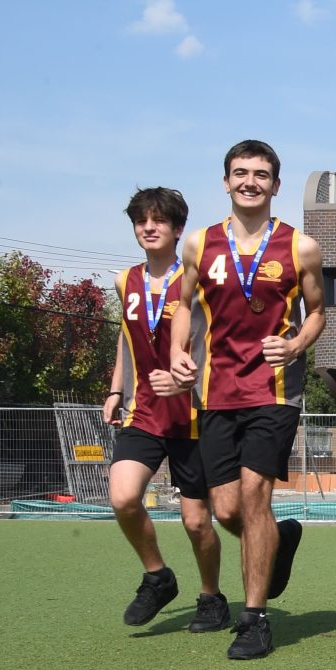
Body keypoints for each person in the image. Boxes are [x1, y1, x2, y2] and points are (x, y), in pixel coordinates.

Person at [168, 140, 325, 660]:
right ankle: (278, 541)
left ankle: (254, 619)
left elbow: (318, 313)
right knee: (227, 508)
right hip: (216, 392)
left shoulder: (300, 247)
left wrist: (296, 345)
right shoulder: (199, 244)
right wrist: (178, 353)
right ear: (226, 182)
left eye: (260, 174)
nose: (249, 182)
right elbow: (182, 306)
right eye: (240, 173)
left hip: (273, 392)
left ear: (275, 185)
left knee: (255, 496)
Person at [104, 186, 225, 634]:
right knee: (123, 497)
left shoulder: (195, 281)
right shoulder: (125, 281)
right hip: (143, 412)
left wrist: (188, 379)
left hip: (192, 416)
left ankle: (211, 597)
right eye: (141, 221)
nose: (149, 228)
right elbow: (126, 338)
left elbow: (214, 343)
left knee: (196, 522)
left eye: (158, 221)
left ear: (178, 229)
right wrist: (116, 389)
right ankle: (158, 577)